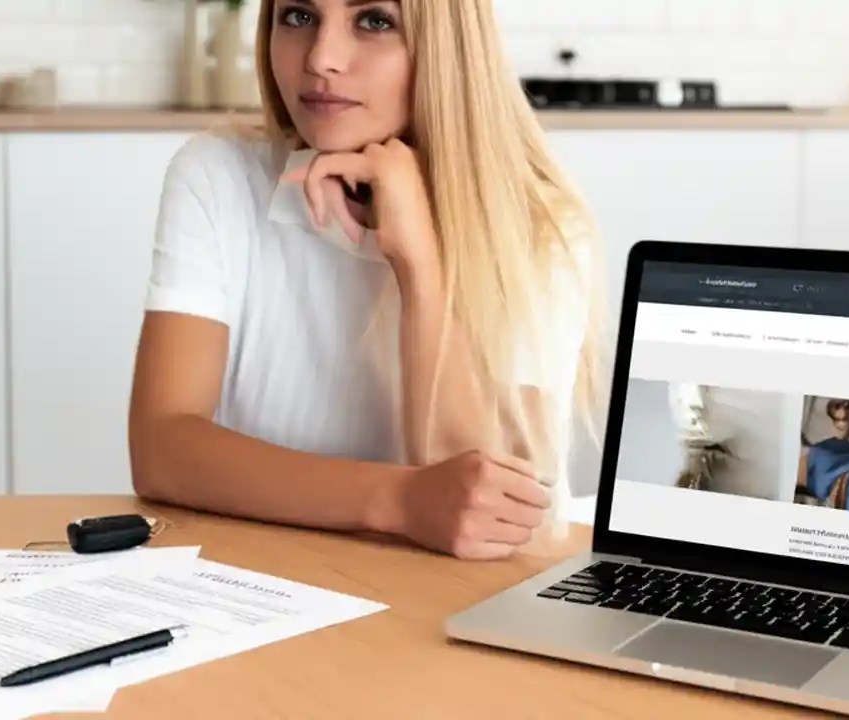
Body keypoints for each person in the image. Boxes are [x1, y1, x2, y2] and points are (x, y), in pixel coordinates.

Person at [128, 0, 604, 561]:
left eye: (375, 21)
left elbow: (497, 517)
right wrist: (398, 500)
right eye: (299, 16)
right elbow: (162, 450)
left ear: (446, 49)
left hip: (435, 608)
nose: (322, 59)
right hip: (255, 580)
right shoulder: (219, 173)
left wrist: (420, 264)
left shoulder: (539, 227)